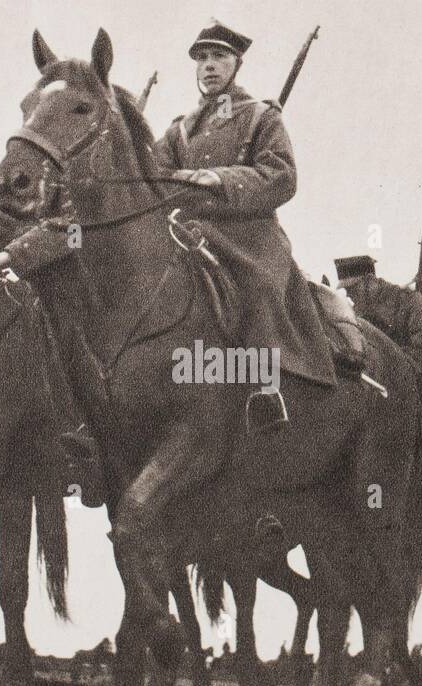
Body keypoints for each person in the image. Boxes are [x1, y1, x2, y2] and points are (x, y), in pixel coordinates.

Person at [151, 20, 336, 401]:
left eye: (219, 56)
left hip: (248, 234)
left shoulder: (261, 117)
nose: (209, 65)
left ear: (237, 63)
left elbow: (281, 175)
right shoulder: (178, 131)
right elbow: (154, 177)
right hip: (187, 230)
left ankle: (264, 388)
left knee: (258, 283)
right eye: (202, 58)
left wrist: (218, 178)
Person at [335, 254, 422, 467]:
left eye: (353, 289)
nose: (350, 297)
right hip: (377, 390)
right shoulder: (355, 316)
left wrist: (387, 364)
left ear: (370, 283)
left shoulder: (409, 302)